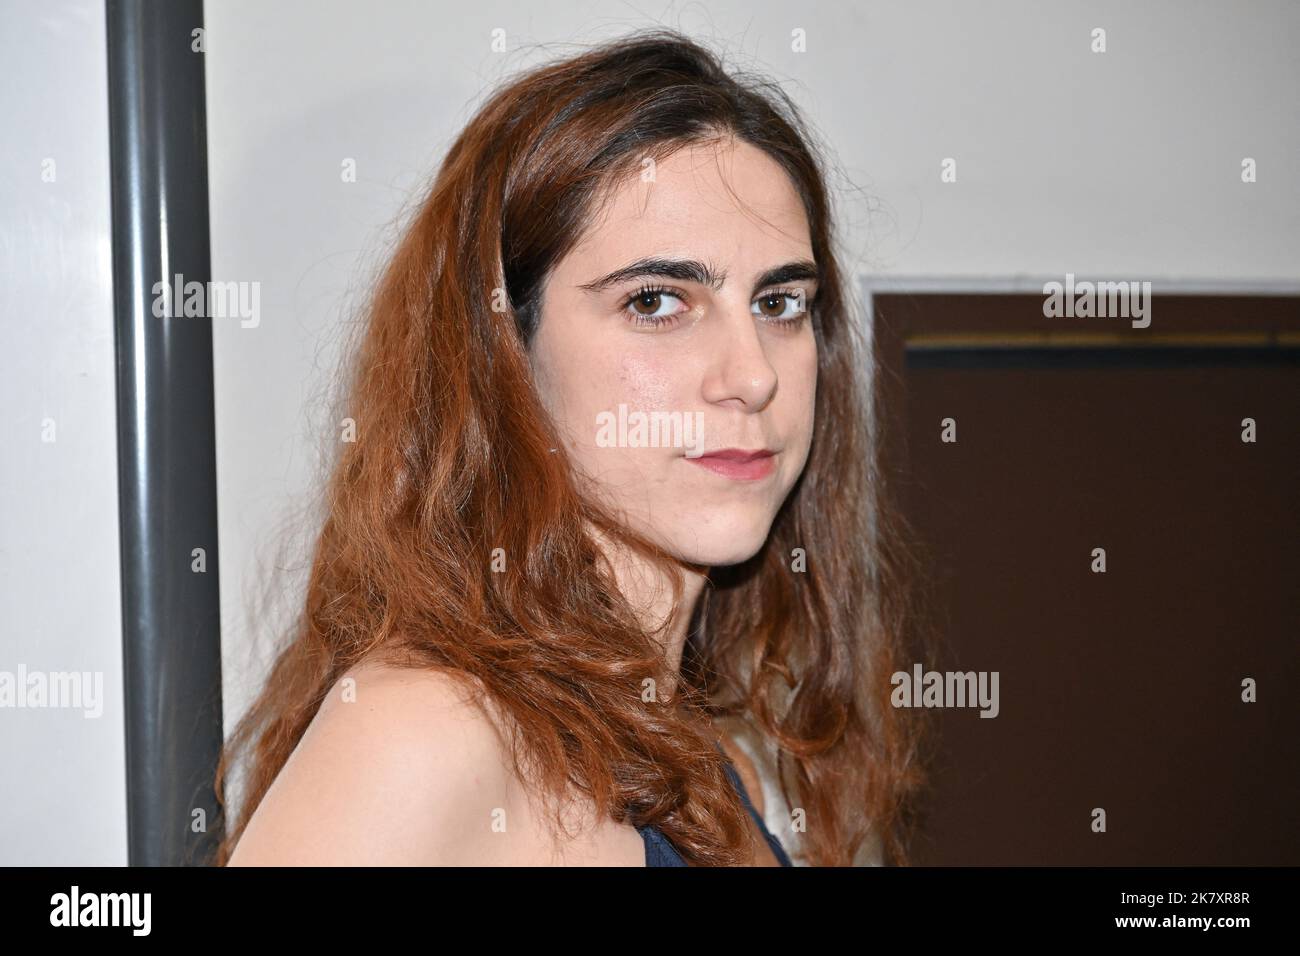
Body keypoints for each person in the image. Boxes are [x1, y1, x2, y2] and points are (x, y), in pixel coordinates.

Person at [213, 27, 928, 867]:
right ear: (504, 355)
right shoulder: (426, 732)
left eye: (780, 304)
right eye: (657, 301)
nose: (753, 376)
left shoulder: (703, 759)